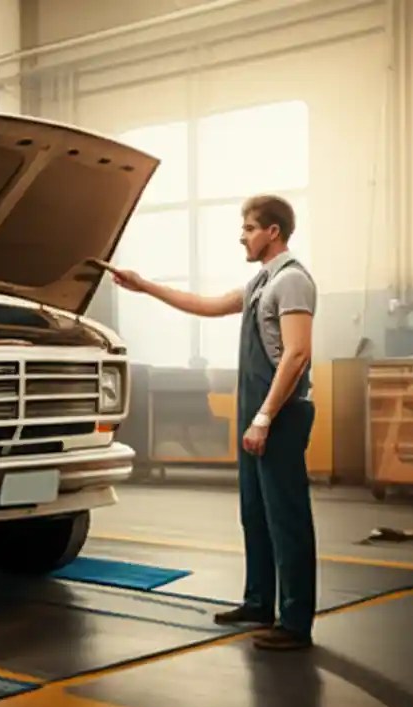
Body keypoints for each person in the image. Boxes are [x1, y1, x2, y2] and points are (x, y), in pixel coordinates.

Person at [107, 194, 317, 651]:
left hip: (281, 413)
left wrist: (263, 418)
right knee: (255, 515)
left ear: (272, 231)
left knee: (287, 518)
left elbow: (298, 354)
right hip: (259, 412)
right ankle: (260, 601)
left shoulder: (293, 281)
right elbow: (204, 304)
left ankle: (296, 622)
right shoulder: (260, 283)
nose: (241, 235)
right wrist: (145, 286)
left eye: (248, 227)